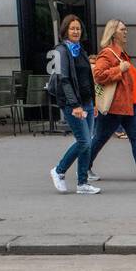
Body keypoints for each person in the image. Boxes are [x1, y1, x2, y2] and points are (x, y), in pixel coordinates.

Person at [89, 19, 136, 183]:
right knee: (100, 137)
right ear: (113, 33)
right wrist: (119, 69)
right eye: (123, 29)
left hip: (129, 104)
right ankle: (85, 167)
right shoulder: (108, 53)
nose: (126, 32)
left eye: (126, 29)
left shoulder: (122, 54)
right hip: (115, 106)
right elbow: (98, 75)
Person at [48, 14, 98, 195]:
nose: (76, 31)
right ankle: (59, 170)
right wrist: (75, 104)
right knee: (84, 141)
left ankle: (82, 183)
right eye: (72, 28)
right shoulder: (61, 50)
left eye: (78, 28)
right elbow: (64, 80)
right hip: (73, 104)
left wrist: (94, 102)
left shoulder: (80, 50)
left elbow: (87, 79)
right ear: (65, 31)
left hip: (87, 102)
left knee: (87, 142)